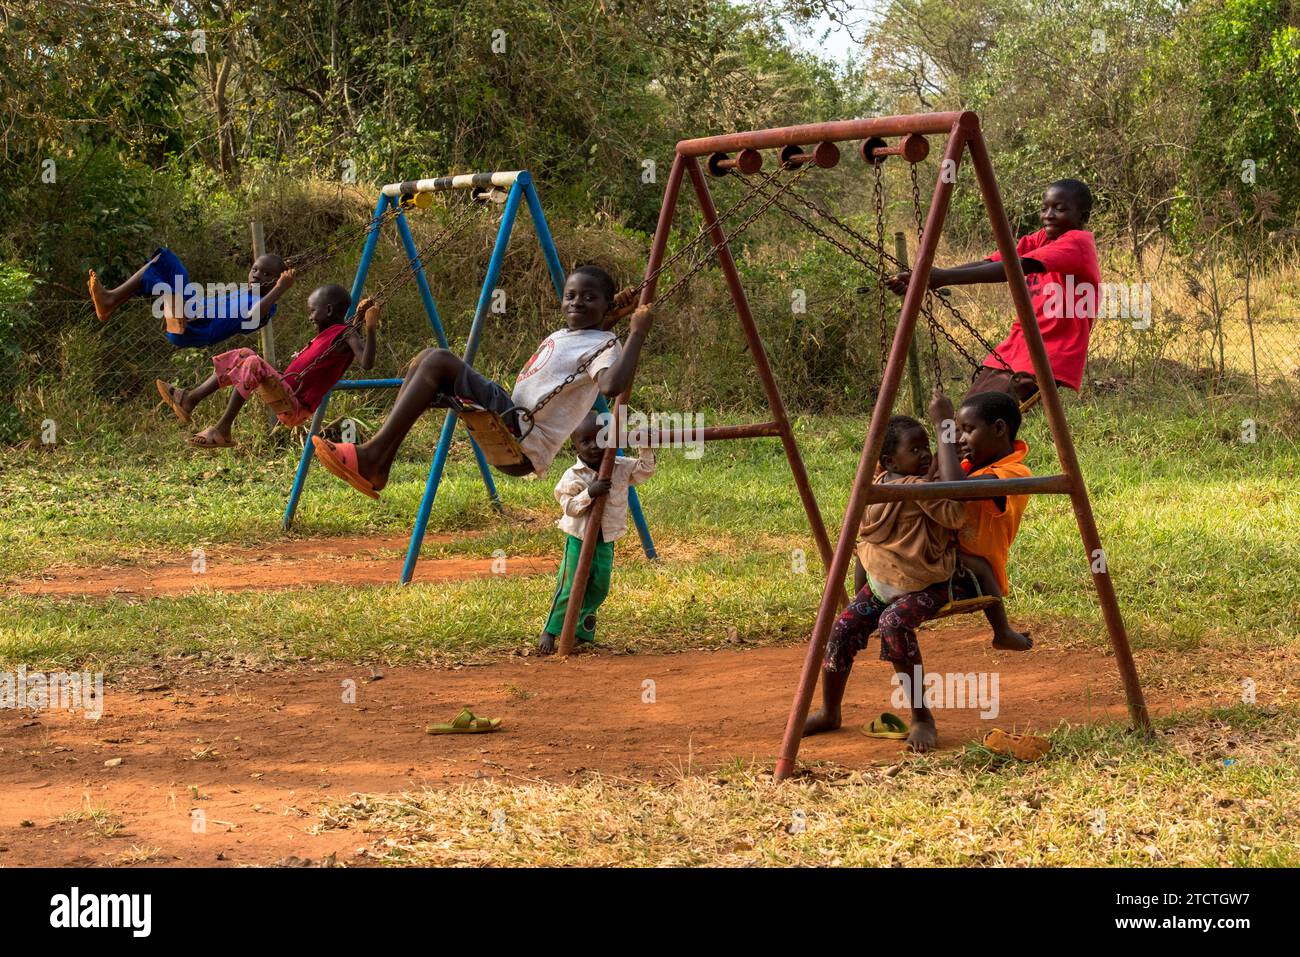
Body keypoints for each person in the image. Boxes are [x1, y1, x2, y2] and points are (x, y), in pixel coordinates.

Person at [804, 389, 1032, 751]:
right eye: (955, 430)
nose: (958, 439)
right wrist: (931, 461)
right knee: (844, 627)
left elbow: (953, 494)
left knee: (894, 623)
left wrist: (941, 428)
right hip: (899, 575)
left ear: (1000, 430)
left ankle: (922, 718)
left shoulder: (1011, 472)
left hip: (954, 578)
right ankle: (830, 710)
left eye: (966, 430)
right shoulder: (946, 467)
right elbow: (915, 482)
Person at [310, 264, 649, 497]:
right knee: (427, 359)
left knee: (440, 360)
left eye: (590, 298)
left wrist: (635, 333)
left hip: (523, 433)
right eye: (571, 296)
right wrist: (609, 322)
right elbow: (588, 345)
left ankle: (371, 457)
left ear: (606, 304)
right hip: (514, 418)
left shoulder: (608, 345)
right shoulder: (582, 335)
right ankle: (378, 462)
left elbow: (611, 386)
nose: (577, 302)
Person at [886, 179, 1099, 405]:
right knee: (970, 413)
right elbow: (994, 261)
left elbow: (1016, 268)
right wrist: (932, 277)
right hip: (1019, 343)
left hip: (1050, 353)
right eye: (1044, 208)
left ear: (1083, 217)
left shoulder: (1078, 243)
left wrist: (942, 277)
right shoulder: (1043, 238)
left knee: (983, 418)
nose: (1048, 214)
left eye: (1060, 209)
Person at [155, 287, 377, 448]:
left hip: (296, 404)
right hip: (287, 392)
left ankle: (222, 428)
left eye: (312, 311)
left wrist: (371, 328)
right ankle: (190, 399)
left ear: (328, 310)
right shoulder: (335, 333)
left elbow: (366, 363)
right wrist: (358, 317)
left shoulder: (346, 334)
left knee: (252, 362)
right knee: (244, 354)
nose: (309, 317)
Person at [537, 412, 655, 655]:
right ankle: (551, 629)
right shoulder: (573, 476)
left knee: (599, 586)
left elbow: (644, 470)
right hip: (578, 540)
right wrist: (589, 493)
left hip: (606, 540)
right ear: (574, 447)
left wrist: (646, 445)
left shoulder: (620, 466)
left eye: (600, 439)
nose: (593, 446)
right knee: (570, 586)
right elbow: (569, 507)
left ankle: (580, 629)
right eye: (585, 441)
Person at [88, 247, 294, 349]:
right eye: (255, 269)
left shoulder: (264, 308)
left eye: (266, 274)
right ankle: (110, 301)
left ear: (275, 282)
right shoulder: (243, 291)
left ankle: (179, 315)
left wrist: (279, 289)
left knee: (173, 288)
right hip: (192, 310)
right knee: (165, 259)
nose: (257, 275)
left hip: (196, 330)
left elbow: (253, 314)